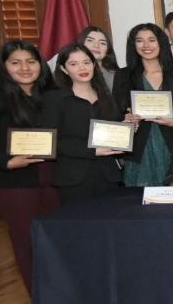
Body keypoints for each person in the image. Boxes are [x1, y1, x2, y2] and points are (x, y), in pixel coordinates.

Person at [0, 39, 59, 292]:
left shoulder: (54, 95)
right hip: (16, 183)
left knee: (57, 237)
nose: (25, 68)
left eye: (31, 61)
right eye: (16, 63)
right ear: (4, 66)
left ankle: (61, 293)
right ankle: (38, 296)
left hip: (54, 179)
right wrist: (7, 161)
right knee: (26, 240)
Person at [42, 43, 124, 203]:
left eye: (86, 62)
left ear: (93, 64)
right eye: (74, 64)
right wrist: (93, 151)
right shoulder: (55, 99)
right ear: (64, 69)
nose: (82, 68)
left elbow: (114, 133)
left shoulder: (106, 96)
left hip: (109, 176)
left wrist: (128, 129)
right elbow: (50, 142)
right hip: (73, 179)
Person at [114, 23, 173, 187]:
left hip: (172, 145)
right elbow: (115, 113)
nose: (146, 46)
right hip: (140, 148)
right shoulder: (123, 76)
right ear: (133, 45)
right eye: (140, 41)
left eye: (151, 40)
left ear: (161, 43)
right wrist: (125, 119)